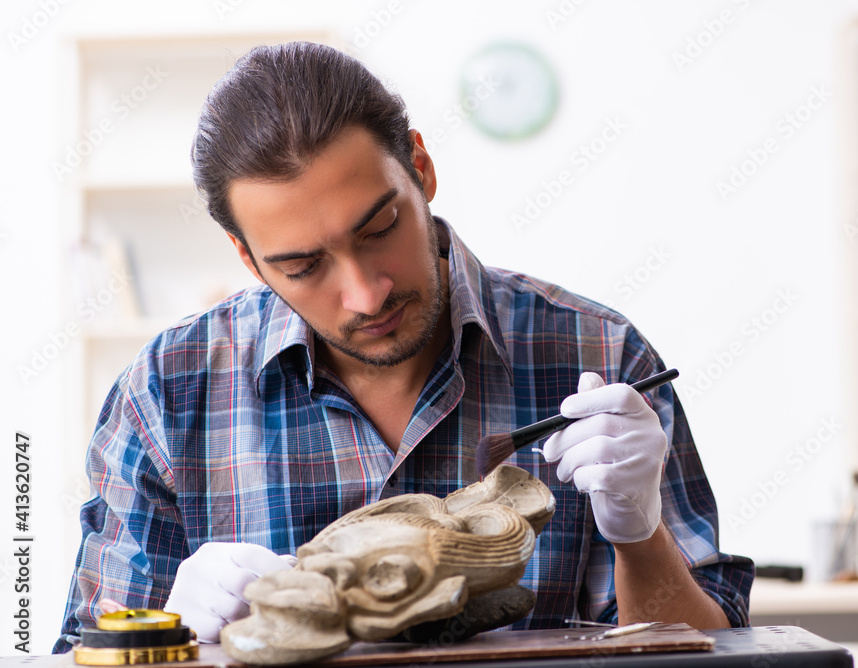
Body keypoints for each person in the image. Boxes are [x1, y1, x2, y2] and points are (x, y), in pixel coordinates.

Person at [54, 41, 753, 652]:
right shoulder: (167, 395)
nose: (364, 293)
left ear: (419, 167)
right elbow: (80, 652)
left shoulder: (599, 355)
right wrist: (167, 630)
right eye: (304, 267)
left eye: (379, 227)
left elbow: (716, 656)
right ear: (248, 258)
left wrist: (639, 536)